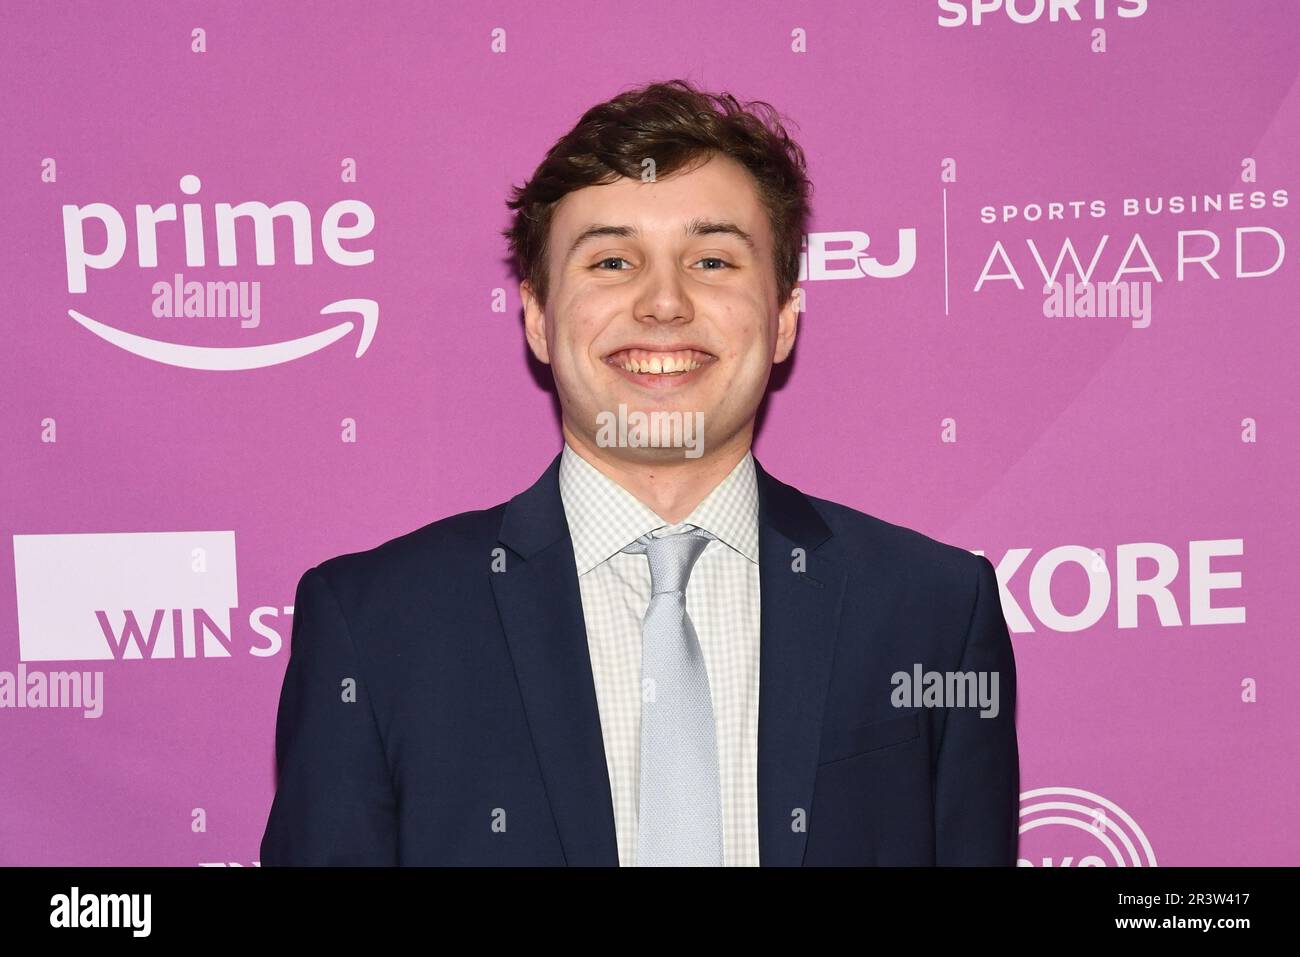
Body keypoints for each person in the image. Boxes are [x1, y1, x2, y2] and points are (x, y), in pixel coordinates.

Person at [260, 78, 1019, 866]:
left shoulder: (932, 611)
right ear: (538, 317)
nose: (664, 302)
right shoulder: (376, 624)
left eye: (713, 259)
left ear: (786, 315)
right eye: (615, 260)